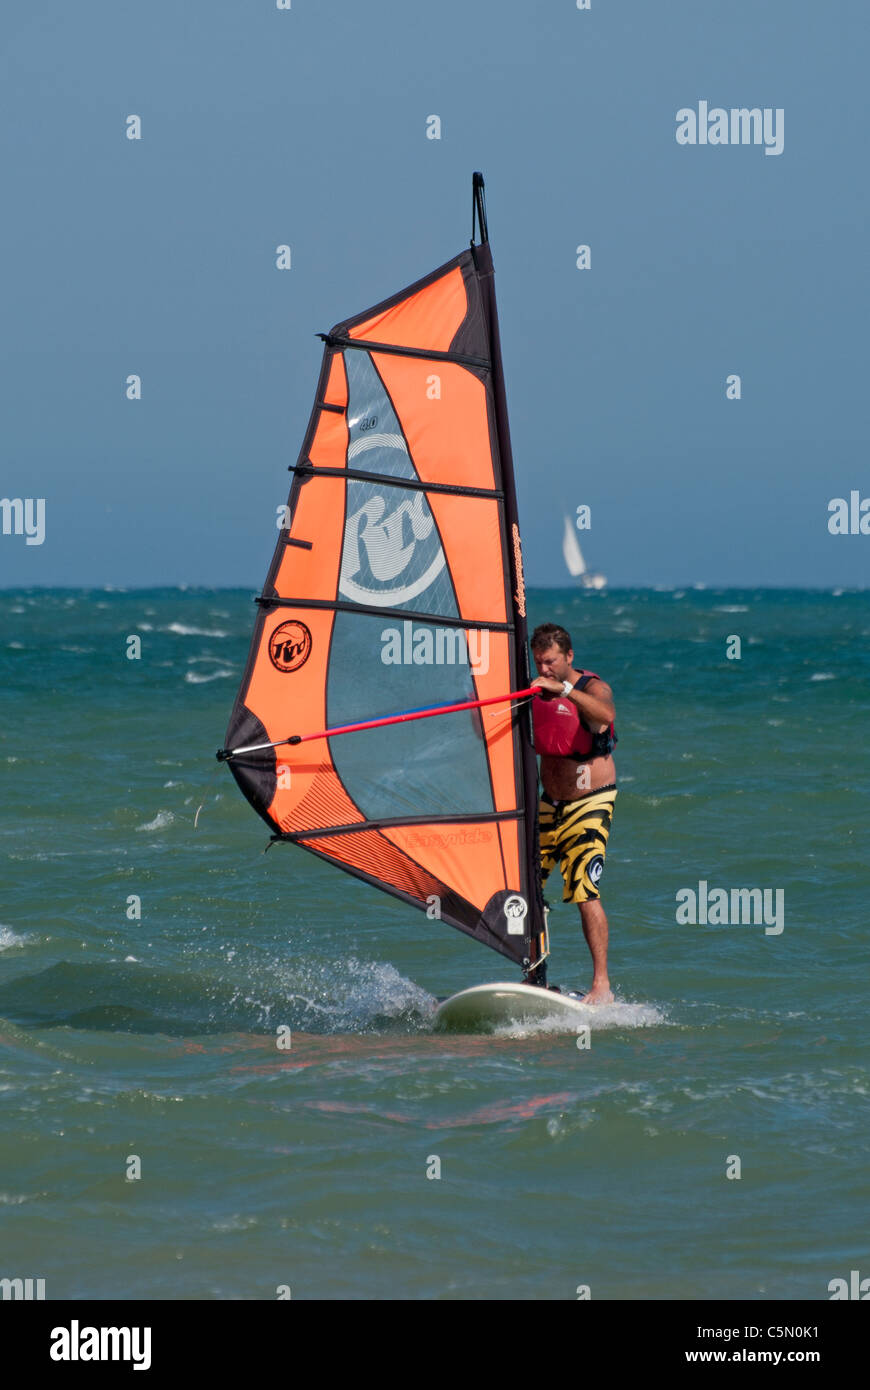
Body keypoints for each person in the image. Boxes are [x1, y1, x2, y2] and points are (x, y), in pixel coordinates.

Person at [529, 623, 617, 1004]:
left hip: (590, 800)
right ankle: (535, 976)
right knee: (527, 888)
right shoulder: (535, 688)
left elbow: (605, 715)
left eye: (550, 662)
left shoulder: (593, 689)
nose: (544, 669)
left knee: (584, 890)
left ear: (569, 657)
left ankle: (601, 986)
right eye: (538, 663)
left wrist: (563, 690)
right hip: (548, 801)